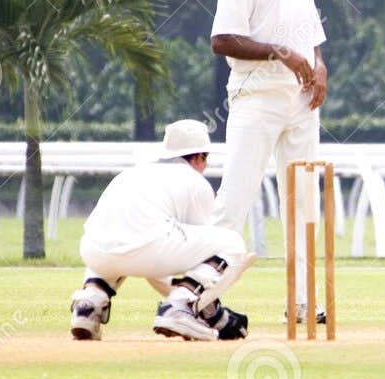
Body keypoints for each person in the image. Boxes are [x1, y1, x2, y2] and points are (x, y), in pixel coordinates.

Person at [209, 0, 329, 324]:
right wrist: (279, 53)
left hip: (300, 103)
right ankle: (197, 294)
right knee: (235, 198)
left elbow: (312, 37)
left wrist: (319, 67)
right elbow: (222, 40)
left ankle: (302, 300)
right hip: (256, 100)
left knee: (303, 202)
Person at [70, 120, 252, 341]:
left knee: (117, 236)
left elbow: (157, 263)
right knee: (231, 242)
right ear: (198, 157)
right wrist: (212, 313)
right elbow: (195, 259)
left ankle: (90, 303)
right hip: (147, 249)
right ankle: (181, 305)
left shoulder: (133, 172)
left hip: (93, 254)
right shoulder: (194, 181)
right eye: (205, 159)